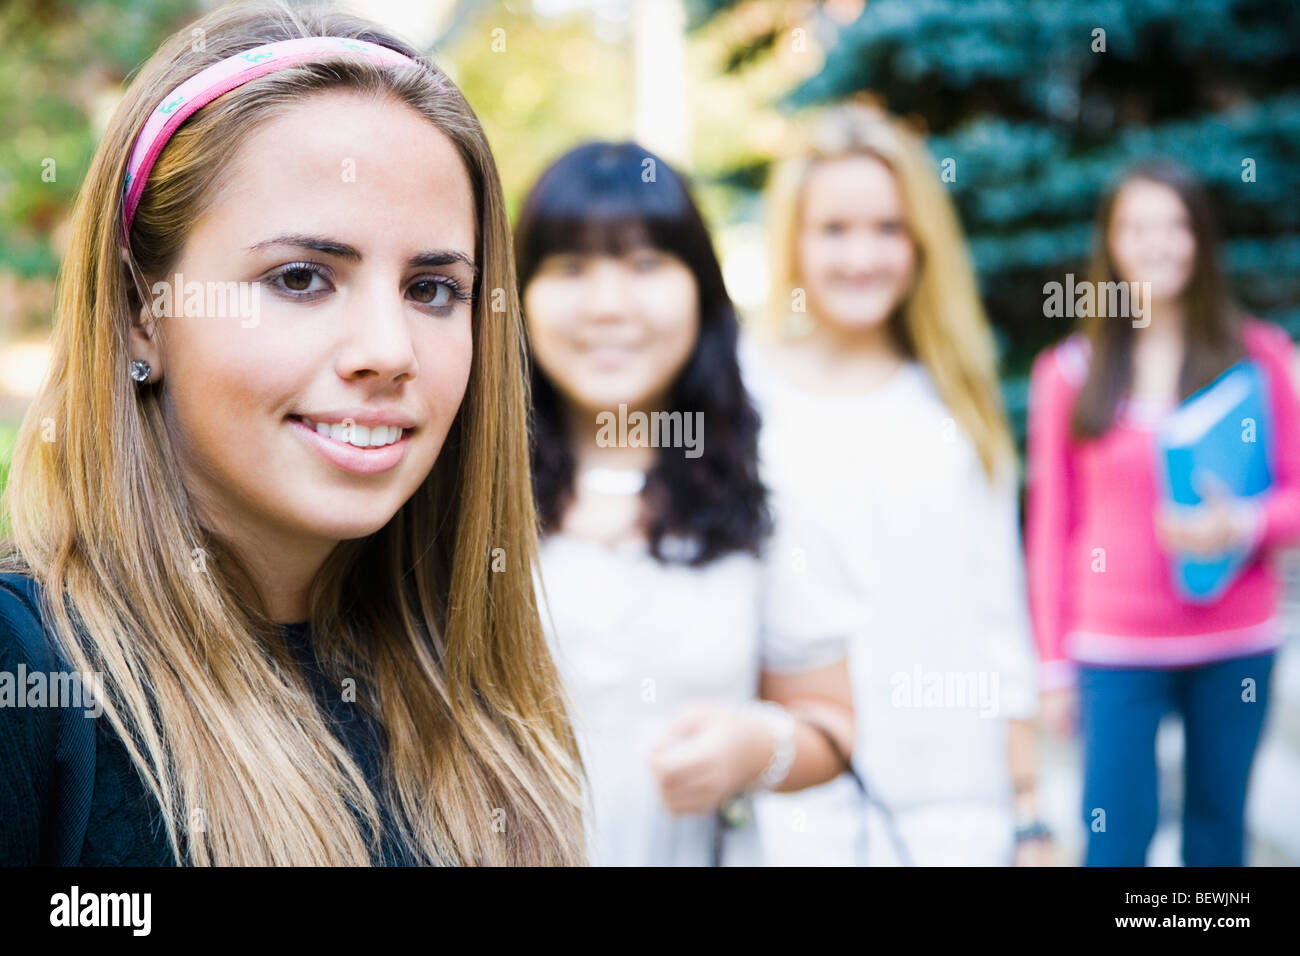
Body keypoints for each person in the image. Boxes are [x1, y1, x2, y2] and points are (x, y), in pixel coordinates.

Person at [0, 0, 586, 866]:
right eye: (303, 277)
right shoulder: (31, 683)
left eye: (432, 289)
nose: (389, 353)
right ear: (139, 313)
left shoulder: (476, 696)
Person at [515, 140, 857, 866]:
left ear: (701, 290)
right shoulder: (457, 491)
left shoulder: (767, 490)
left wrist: (755, 749)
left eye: (644, 266)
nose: (609, 306)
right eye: (571, 267)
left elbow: (831, 727)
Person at [744, 104, 1048, 866]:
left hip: (957, 805)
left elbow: (997, 612)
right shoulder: (742, 395)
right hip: (800, 809)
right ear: (796, 241)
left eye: (888, 228)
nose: (862, 257)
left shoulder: (955, 396)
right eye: (835, 230)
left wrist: (1028, 811)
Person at [1026, 159, 1300, 866]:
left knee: (1218, 839)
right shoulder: (1068, 373)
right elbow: (1051, 526)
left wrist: (1240, 525)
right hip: (1113, 648)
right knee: (1115, 841)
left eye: (1176, 225)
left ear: (1201, 240)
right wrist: (1052, 665)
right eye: (1136, 227)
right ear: (1110, 245)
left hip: (1235, 639)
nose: (1158, 245)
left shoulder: (1260, 357)